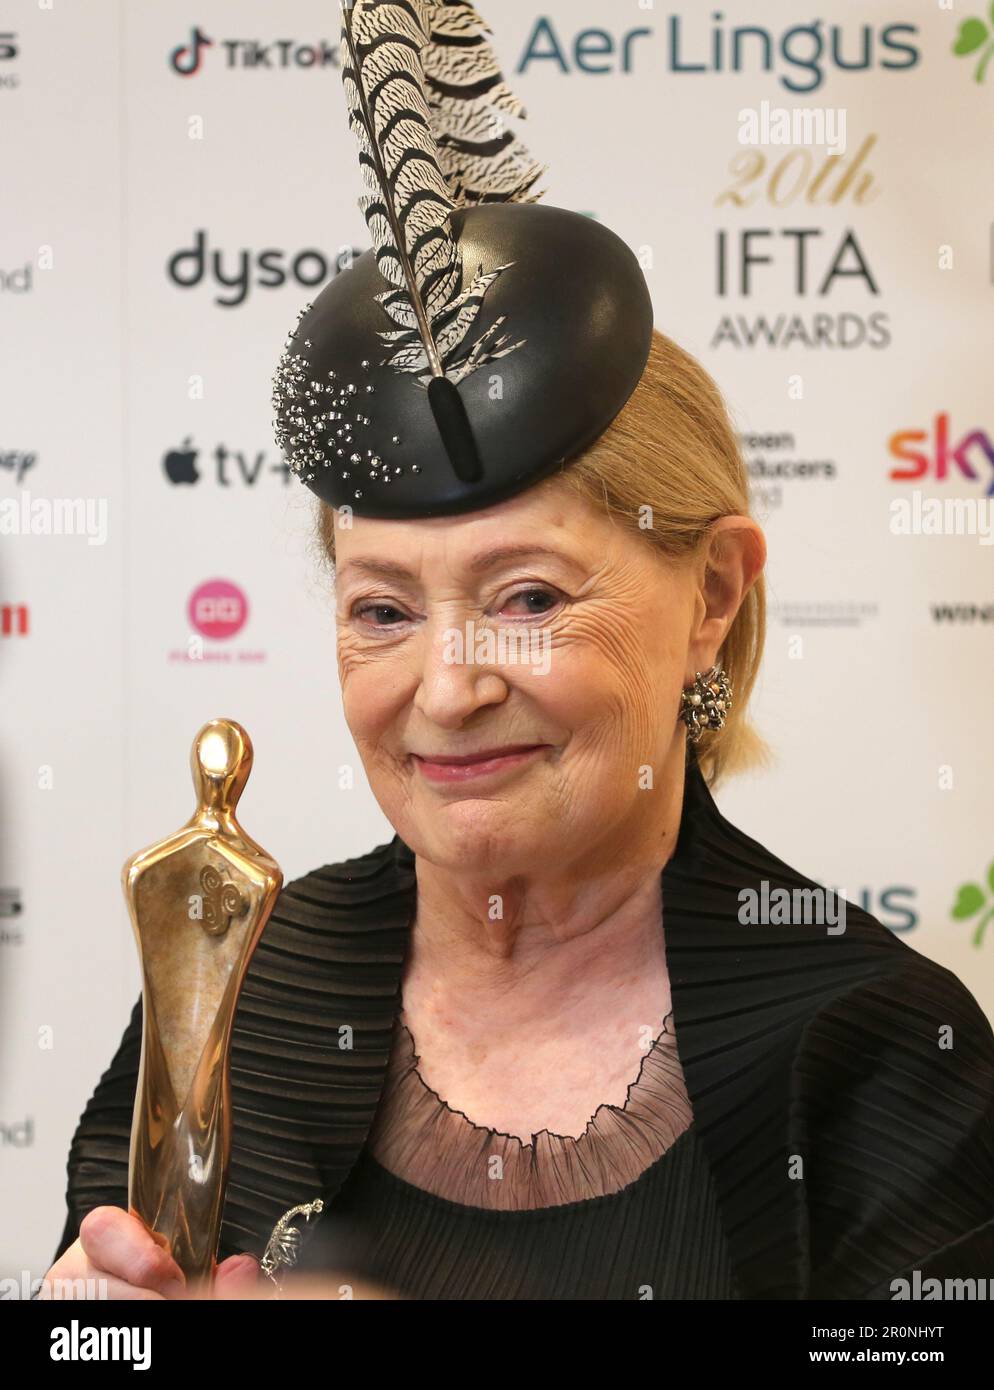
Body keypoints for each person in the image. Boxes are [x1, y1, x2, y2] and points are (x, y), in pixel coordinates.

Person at [45, 0, 994, 1300]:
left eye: (531, 597)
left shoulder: (877, 1049)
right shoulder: (238, 984)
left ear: (709, 593)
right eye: (382, 608)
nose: (445, 686)